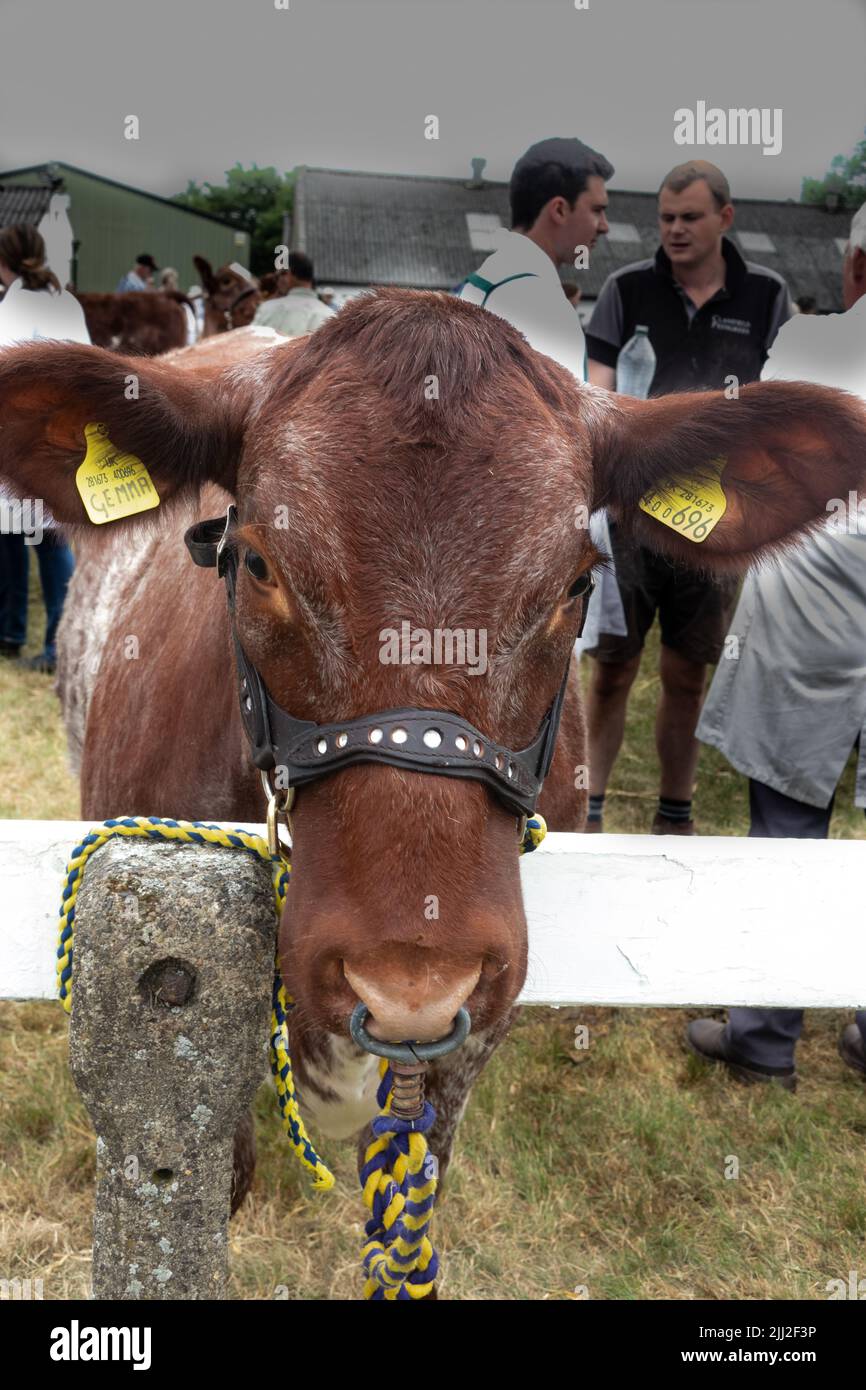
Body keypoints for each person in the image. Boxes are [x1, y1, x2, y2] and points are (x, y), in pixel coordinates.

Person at [686, 202, 866, 1091]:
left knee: (787, 833)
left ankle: (764, 1042)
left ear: (857, 268)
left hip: (809, 610)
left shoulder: (810, 345)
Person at [583, 160, 792, 834]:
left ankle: (675, 813)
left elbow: (783, 402)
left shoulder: (767, 296)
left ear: (725, 218)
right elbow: (597, 391)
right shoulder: (626, 290)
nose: (674, 229)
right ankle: (588, 808)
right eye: (667, 218)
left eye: (689, 217)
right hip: (631, 515)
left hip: (715, 519)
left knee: (686, 674)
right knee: (612, 670)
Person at [458, 135, 626, 650]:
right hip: (519, 560)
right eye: (596, 210)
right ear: (559, 209)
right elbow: (542, 452)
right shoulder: (531, 296)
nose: (603, 226)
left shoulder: (496, 278)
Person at [0, 223, 89, 672]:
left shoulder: (12, 305)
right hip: (63, 436)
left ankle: (25, 637)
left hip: (21, 440)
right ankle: (48, 638)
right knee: (46, 539)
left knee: (18, 541)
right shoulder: (66, 302)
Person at [252, 252, 335, 337]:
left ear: (287, 274)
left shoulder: (267, 309)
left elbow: (250, 344)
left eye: (277, 276)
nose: (277, 283)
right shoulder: (330, 316)